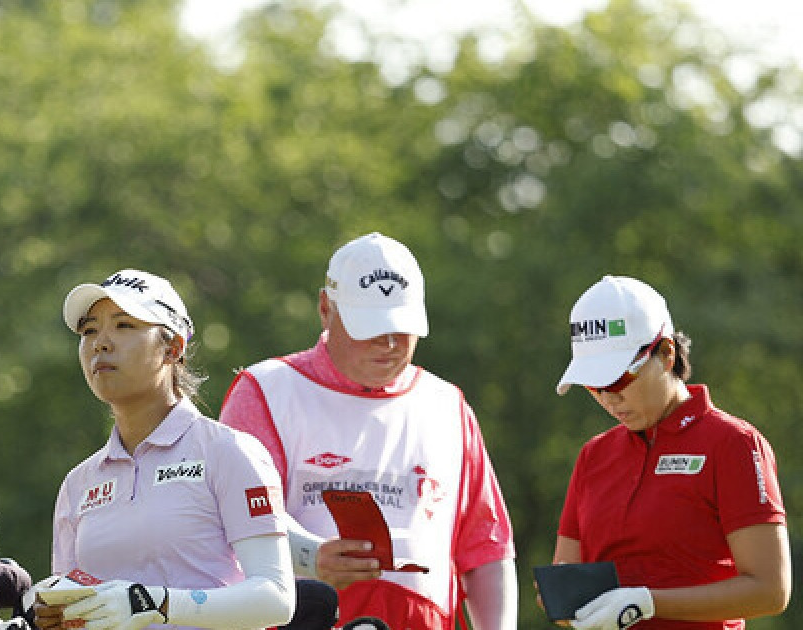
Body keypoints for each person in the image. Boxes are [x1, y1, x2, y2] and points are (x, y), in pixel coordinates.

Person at [220, 232, 518, 630]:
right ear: (326, 309)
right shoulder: (266, 389)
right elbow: (235, 517)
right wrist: (311, 556)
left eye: (403, 326)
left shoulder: (447, 403)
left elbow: (485, 549)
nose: (390, 342)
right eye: (371, 327)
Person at [36, 269, 295, 630]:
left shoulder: (228, 453)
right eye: (89, 330)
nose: (101, 343)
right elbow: (73, 600)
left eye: (124, 325)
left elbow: (275, 599)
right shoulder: (78, 483)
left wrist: (154, 604)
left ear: (173, 348)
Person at [551, 275, 790, 630]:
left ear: (666, 354)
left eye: (618, 380)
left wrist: (648, 602)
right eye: (594, 386)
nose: (608, 398)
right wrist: (567, 605)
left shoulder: (733, 444)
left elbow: (770, 590)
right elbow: (566, 583)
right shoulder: (594, 455)